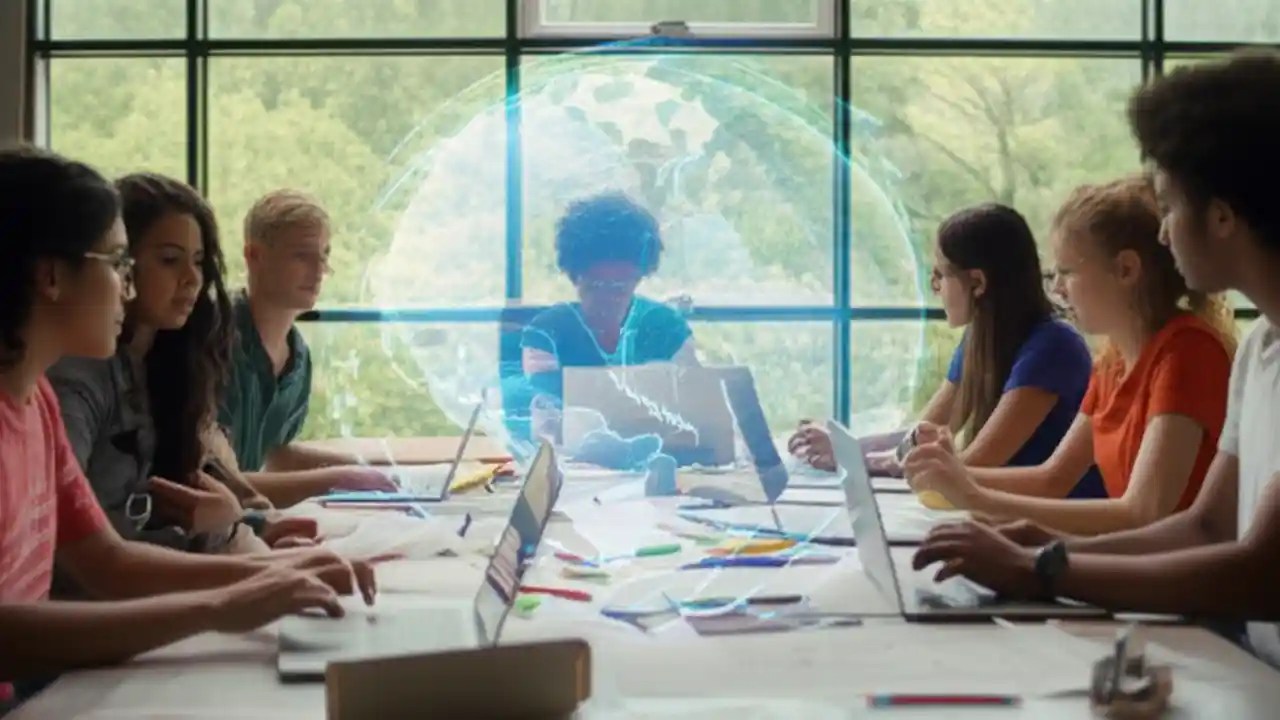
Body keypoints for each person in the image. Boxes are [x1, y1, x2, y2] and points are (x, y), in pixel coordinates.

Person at [909, 50, 1280, 669]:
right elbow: (1208, 528)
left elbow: (1262, 572)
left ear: (1221, 216)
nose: (1163, 233)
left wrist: (1047, 566)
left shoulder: (1196, 350)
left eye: (1168, 206)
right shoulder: (1260, 351)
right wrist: (1047, 543)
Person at [0, 147, 376, 714]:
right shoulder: (67, 393)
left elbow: (106, 560)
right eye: (118, 265)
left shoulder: (40, 404)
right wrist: (222, 602)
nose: (127, 288)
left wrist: (268, 573)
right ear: (51, 276)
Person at [905, 177, 1235, 536]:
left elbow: (1143, 513)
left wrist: (972, 493)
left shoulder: (1186, 353)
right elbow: (1053, 478)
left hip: (1174, 581)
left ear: (1126, 270)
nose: (1058, 289)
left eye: (1066, 273)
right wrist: (947, 473)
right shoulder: (1112, 364)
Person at [47, 174, 310, 556]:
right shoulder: (78, 376)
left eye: (199, 262)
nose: (191, 279)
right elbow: (79, 553)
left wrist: (253, 525)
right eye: (170, 260)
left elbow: (211, 494)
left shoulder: (173, 366)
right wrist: (255, 562)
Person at [790, 204, 1104, 497]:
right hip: (1008, 518)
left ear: (977, 283)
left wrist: (850, 458)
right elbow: (920, 434)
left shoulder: (1053, 348)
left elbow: (974, 465)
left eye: (940, 274)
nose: (934, 286)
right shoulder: (980, 341)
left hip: (1060, 530)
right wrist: (846, 446)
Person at [218, 189, 395, 508]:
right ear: (254, 256)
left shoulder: (297, 357)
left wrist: (372, 471)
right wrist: (337, 480)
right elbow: (216, 480)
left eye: (324, 255)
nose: (319, 272)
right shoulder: (214, 342)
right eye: (302, 256)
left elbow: (275, 452)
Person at [504, 192, 696, 461]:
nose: (607, 298)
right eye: (594, 285)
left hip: (661, 465)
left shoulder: (667, 328)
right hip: (573, 472)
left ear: (639, 278)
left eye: (620, 287)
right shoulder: (547, 332)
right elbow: (543, 423)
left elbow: (695, 411)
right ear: (574, 276)